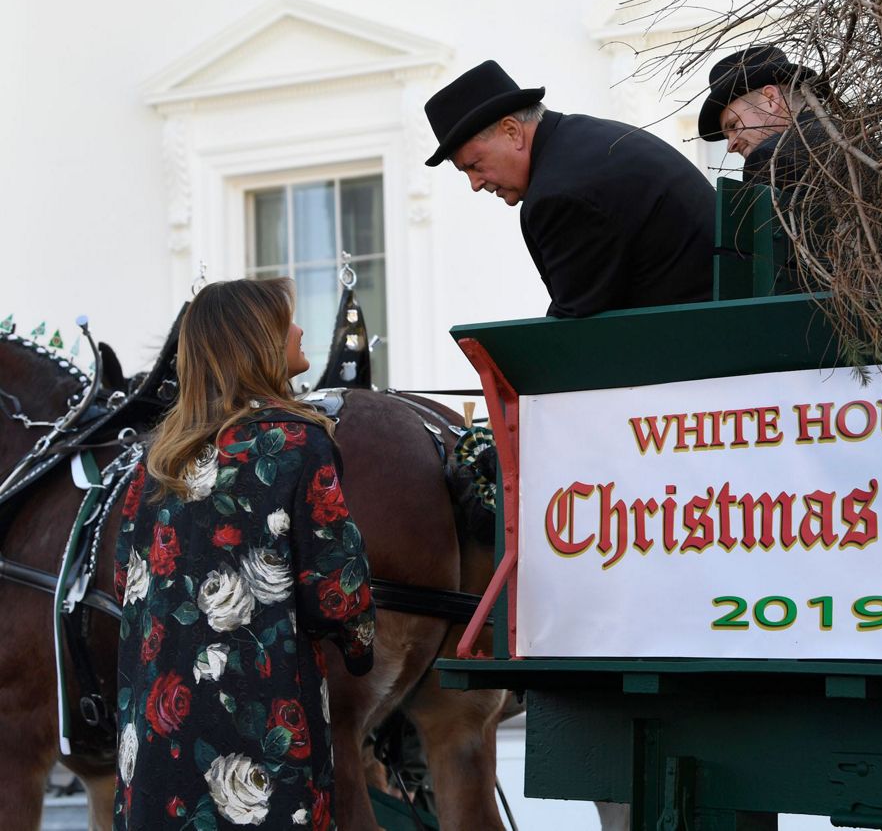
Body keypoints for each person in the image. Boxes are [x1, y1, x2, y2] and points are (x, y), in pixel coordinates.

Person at [112, 278, 375, 829]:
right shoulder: (298, 444)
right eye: (286, 323)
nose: (300, 331)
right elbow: (336, 590)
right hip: (264, 727)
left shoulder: (153, 461)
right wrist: (359, 649)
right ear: (258, 342)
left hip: (158, 740)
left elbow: (126, 583)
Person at [424, 60, 715, 318]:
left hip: (700, 342)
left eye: (475, 165)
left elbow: (577, 322)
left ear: (512, 131)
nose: (475, 184)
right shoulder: (580, 139)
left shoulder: (558, 195)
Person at [697, 44, 827, 189]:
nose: (730, 147)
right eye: (727, 137)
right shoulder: (844, 132)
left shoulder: (770, 158)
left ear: (770, 99)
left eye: (733, 125)